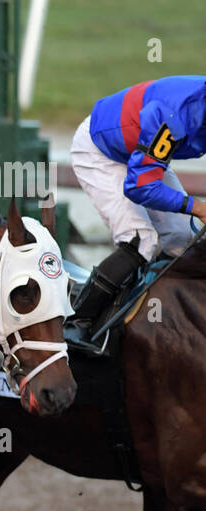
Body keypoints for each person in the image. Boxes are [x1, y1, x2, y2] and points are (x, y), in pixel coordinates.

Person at [69, 75, 206, 338]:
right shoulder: (173, 115)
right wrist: (197, 207)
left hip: (140, 151)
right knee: (142, 240)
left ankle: (163, 316)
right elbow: (140, 187)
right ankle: (80, 325)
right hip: (100, 151)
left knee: (183, 241)